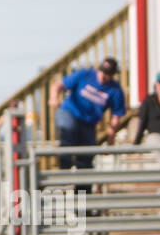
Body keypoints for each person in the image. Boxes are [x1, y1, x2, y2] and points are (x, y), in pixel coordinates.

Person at [49, 57, 127, 192]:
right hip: (70, 111)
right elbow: (57, 85)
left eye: (108, 74)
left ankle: (83, 199)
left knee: (86, 158)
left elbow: (116, 115)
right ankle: (64, 173)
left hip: (89, 123)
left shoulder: (115, 89)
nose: (103, 76)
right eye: (102, 72)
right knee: (68, 130)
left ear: (113, 75)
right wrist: (54, 97)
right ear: (98, 70)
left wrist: (111, 134)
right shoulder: (84, 75)